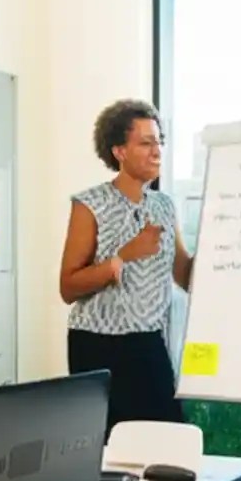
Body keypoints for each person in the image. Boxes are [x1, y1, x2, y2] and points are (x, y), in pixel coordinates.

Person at [59, 99, 194, 439]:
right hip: (98, 348)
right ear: (118, 150)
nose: (157, 151)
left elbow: (183, 273)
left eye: (159, 141)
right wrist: (123, 256)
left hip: (149, 343)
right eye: (146, 143)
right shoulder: (89, 204)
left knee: (167, 443)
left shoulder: (164, 206)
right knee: (107, 451)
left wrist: (226, 255)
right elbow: (68, 287)